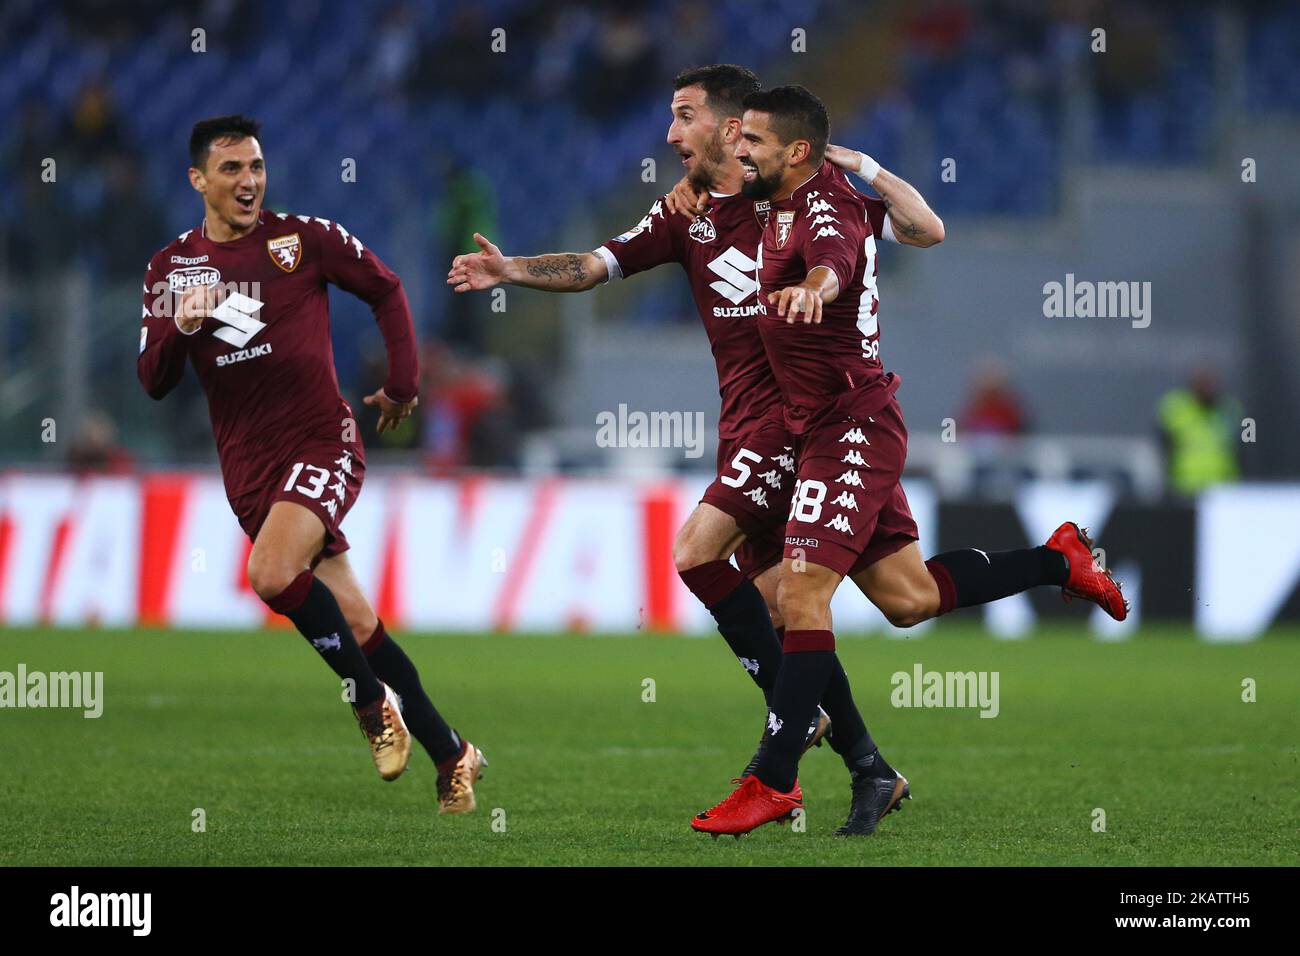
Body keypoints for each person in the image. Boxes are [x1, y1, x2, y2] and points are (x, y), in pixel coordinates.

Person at [689, 86, 1128, 838]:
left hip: (848, 425)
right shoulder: (786, 197)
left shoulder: (827, 210)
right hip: (813, 426)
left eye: (754, 141)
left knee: (797, 595)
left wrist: (816, 289)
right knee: (909, 600)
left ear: (793, 151)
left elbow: (838, 262)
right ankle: (1058, 561)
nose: (741, 151)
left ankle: (775, 779)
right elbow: (924, 226)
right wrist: (850, 163)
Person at [137, 115, 484, 814]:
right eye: (231, 169)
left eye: (257, 166)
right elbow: (152, 379)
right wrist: (183, 323)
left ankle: (365, 703)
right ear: (198, 180)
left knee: (270, 572)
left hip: (323, 441)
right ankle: (453, 753)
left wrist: (404, 385)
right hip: (250, 472)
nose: (249, 182)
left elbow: (385, 289)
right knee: (355, 623)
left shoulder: (305, 239)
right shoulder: (172, 268)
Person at [1157, 367, 1241, 495]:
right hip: (1185, 486)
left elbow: (1247, 443)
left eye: (1210, 384)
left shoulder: (1231, 410)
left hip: (1223, 486)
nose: (1207, 388)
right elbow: (1163, 445)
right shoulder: (1175, 409)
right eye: (1202, 383)